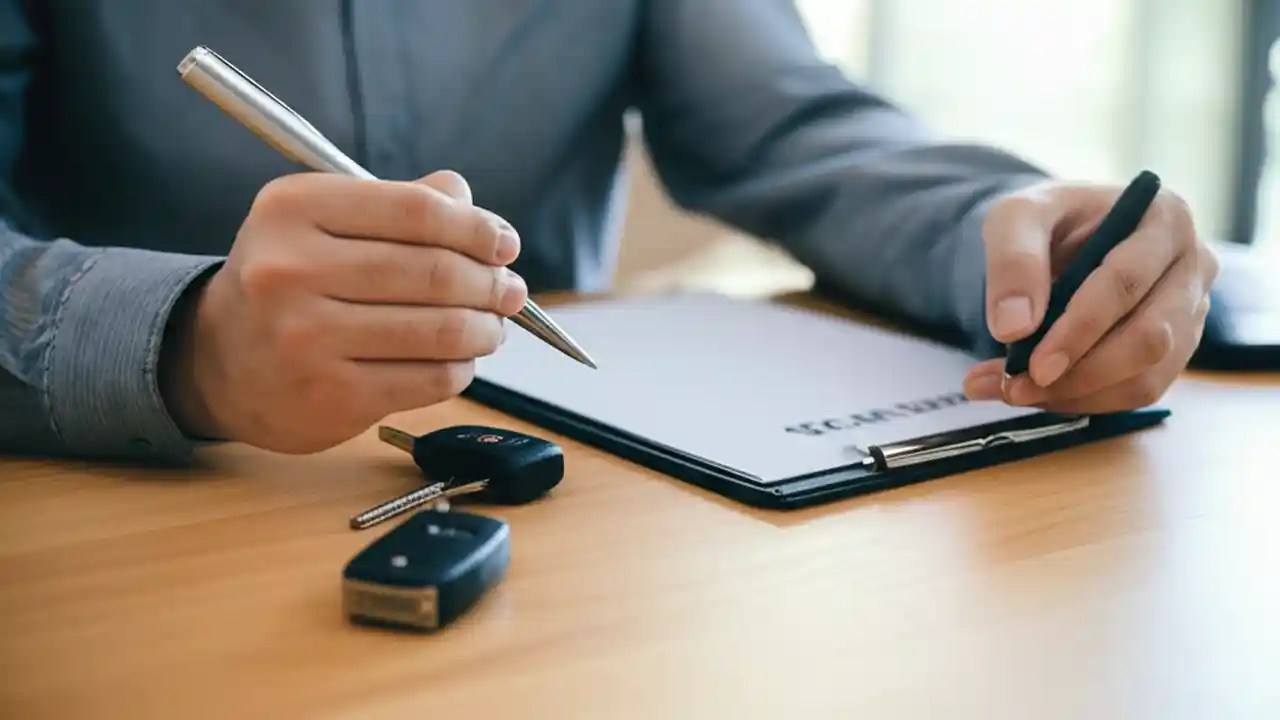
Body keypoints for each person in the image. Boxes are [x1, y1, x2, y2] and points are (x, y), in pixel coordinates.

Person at [0, 2, 1217, 462]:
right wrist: (183, 340)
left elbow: (788, 122)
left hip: (570, 515)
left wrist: (1003, 230)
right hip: (128, 519)